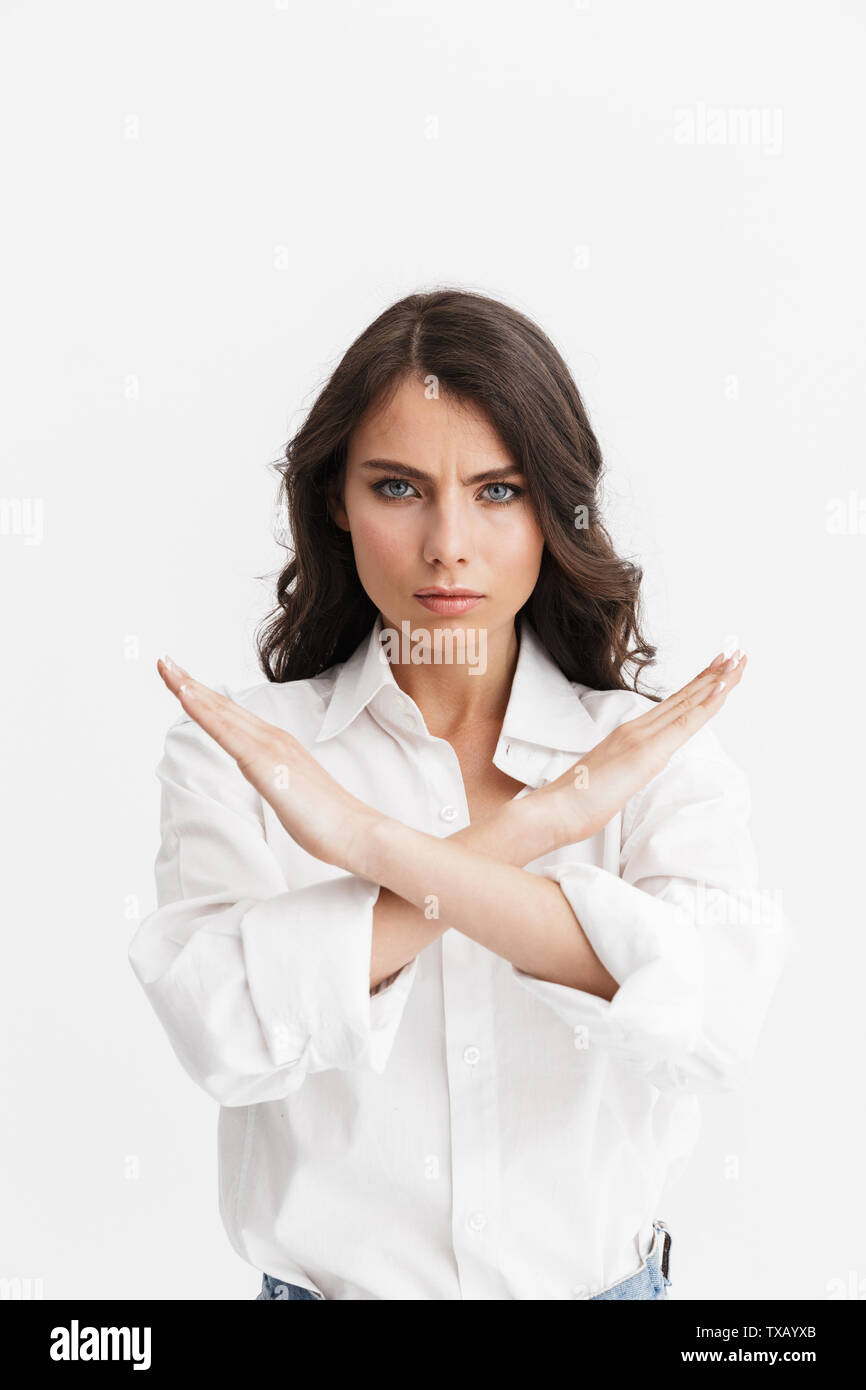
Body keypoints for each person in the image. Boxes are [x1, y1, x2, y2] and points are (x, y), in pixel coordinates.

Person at [128, 288, 789, 1300]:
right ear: (335, 505)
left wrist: (366, 842)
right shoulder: (243, 751)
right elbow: (223, 1033)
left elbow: (705, 1025)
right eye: (397, 488)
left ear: (554, 508)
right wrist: (534, 833)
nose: (447, 543)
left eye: (495, 490)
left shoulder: (649, 755)